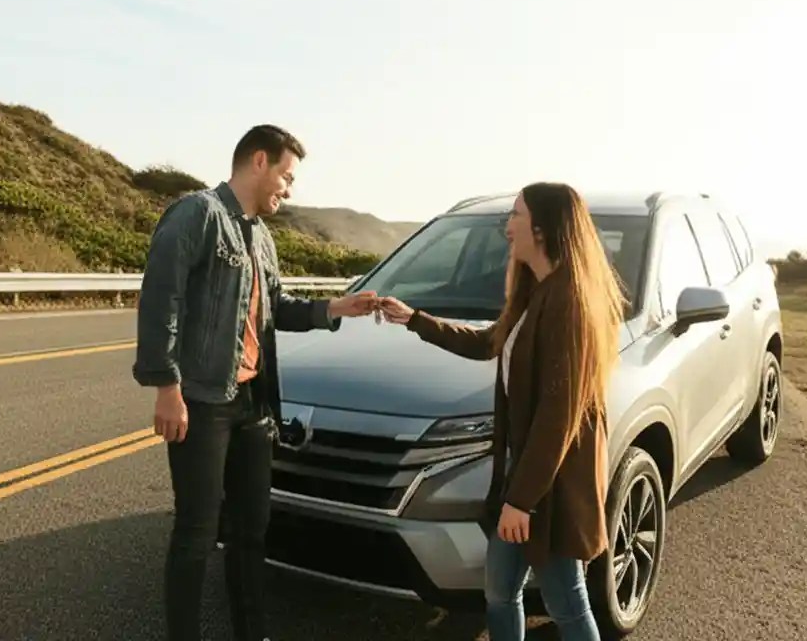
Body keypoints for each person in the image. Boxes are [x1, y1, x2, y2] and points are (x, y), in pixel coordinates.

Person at [132, 124, 379, 641]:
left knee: (251, 532)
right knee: (197, 533)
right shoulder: (197, 214)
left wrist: (337, 307)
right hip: (202, 400)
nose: (289, 189)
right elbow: (161, 300)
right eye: (287, 177)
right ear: (260, 162)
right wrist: (166, 387)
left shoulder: (261, 236)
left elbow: (275, 312)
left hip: (253, 402)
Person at [379, 182, 625, 641]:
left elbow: (558, 417)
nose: (506, 226)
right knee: (499, 592)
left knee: (565, 598)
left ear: (543, 228)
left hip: (548, 485)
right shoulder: (537, 292)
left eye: (515, 215)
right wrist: (414, 319)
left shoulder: (569, 301)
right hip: (522, 476)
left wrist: (521, 501)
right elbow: (487, 342)